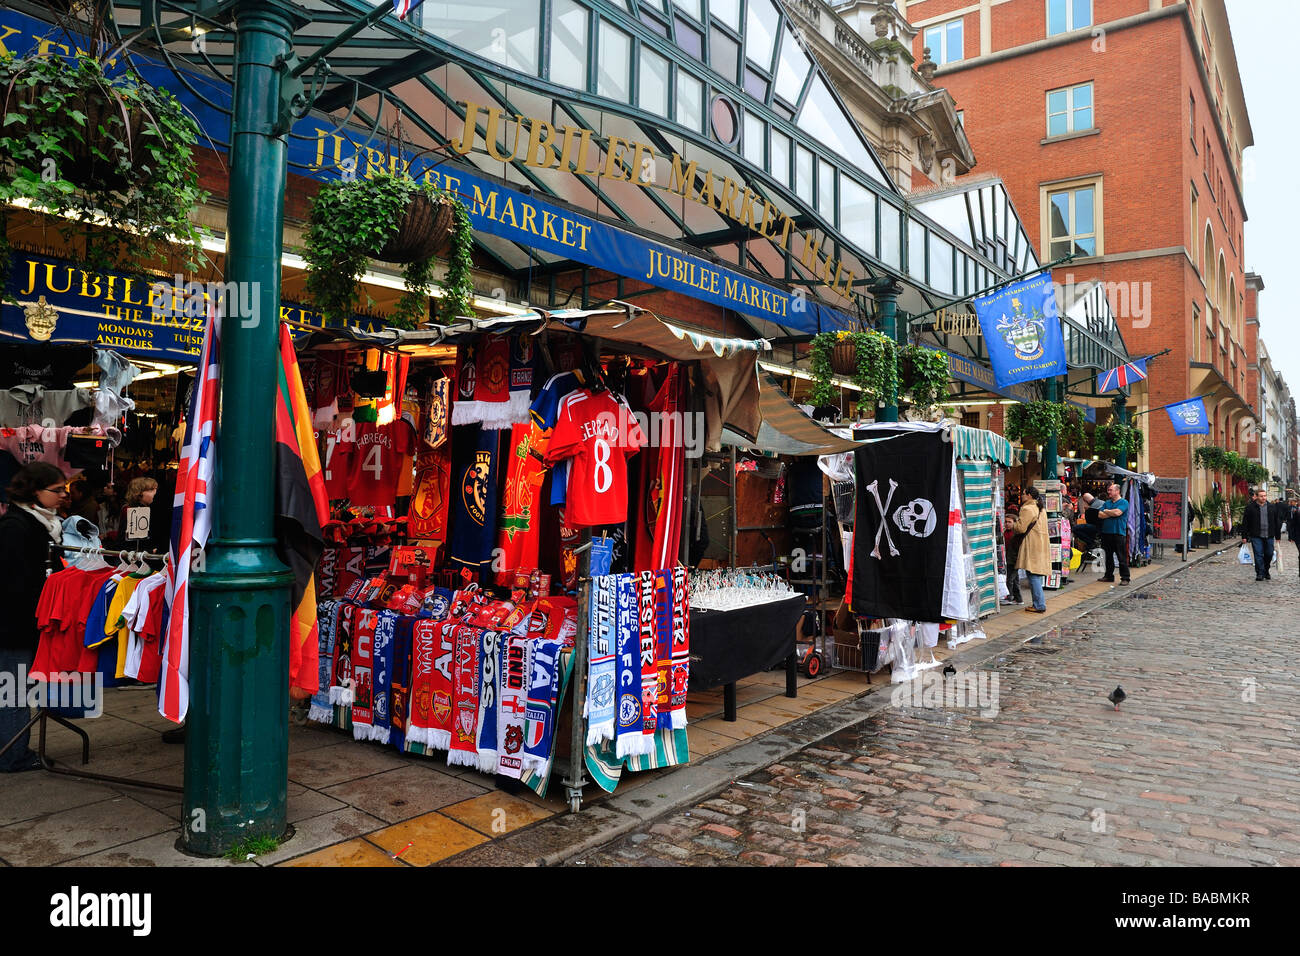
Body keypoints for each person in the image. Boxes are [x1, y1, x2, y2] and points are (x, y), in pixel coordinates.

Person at [0, 463, 68, 772]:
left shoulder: (39, 523)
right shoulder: (16, 526)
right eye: (57, 490)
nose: (63, 495)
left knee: (14, 690)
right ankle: (14, 756)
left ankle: (12, 750)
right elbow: (15, 583)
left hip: (24, 622)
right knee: (13, 692)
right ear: (35, 491)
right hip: (14, 625)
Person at [1013, 487, 1051, 613]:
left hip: (1031, 544)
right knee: (1035, 574)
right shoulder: (1041, 509)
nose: (1022, 496)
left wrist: (1013, 524)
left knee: (1032, 574)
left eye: (1023, 494)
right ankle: (1038, 603)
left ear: (1028, 495)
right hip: (1040, 544)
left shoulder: (1027, 508)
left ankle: (1039, 604)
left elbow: (1020, 528)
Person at [1241, 487, 1280, 582]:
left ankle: (1266, 570)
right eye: (1261, 496)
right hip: (1256, 535)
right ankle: (1260, 573)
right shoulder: (1250, 508)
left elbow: (1277, 522)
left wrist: (1278, 536)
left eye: (1265, 496)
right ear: (1256, 497)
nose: (1264, 498)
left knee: (1269, 554)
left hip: (1269, 535)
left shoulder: (1272, 507)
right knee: (1258, 554)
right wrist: (1244, 536)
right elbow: (1245, 522)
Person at [1097, 482, 1130, 584]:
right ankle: (1108, 576)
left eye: (1111, 490)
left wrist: (1107, 511)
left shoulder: (1123, 502)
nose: (1109, 492)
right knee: (1108, 556)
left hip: (1118, 533)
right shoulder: (1107, 503)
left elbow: (1118, 513)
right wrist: (1111, 512)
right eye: (1108, 490)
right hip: (1106, 533)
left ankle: (1125, 578)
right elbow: (1100, 515)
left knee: (1121, 556)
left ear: (1117, 491)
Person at [1002, 499, 1024, 606]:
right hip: (1008, 559)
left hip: (1014, 559)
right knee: (1014, 579)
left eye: (1009, 522)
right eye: (1005, 522)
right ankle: (1018, 599)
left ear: (1015, 523)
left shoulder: (1015, 534)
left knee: (1010, 579)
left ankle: (1010, 596)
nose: (1007, 524)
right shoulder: (1005, 533)